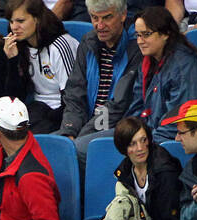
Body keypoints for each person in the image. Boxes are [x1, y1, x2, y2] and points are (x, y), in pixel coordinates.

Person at [119, 8, 197, 144]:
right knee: (99, 144)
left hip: (174, 142)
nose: (139, 41)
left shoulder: (185, 68)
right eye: (138, 35)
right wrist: (130, 135)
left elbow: (179, 123)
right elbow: (136, 108)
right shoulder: (147, 63)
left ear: (165, 34)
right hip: (150, 135)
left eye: (146, 34)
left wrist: (144, 141)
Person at [59, 0, 140, 163]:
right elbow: (75, 94)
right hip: (87, 125)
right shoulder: (88, 43)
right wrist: (70, 130)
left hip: (121, 127)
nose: (100, 25)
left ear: (123, 15)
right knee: (52, 146)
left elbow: (119, 105)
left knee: (78, 149)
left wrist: (82, 134)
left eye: (107, 18)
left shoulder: (136, 48)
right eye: (94, 18)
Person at [100, 116, 185, 220]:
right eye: (132, 144)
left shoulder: (165, 172)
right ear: (124, 148)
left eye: (143, 140)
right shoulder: (125, 171)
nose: (140, 148)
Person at [0, 0, 77, 135]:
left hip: (61, 111)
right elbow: (15, 97)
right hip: (37, 107)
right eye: (11, 22)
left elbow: (72, 97)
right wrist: (12, 61)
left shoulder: (60, 45)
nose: (14, 27)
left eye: (20, 21)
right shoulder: (20, 45)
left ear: (37, 19)